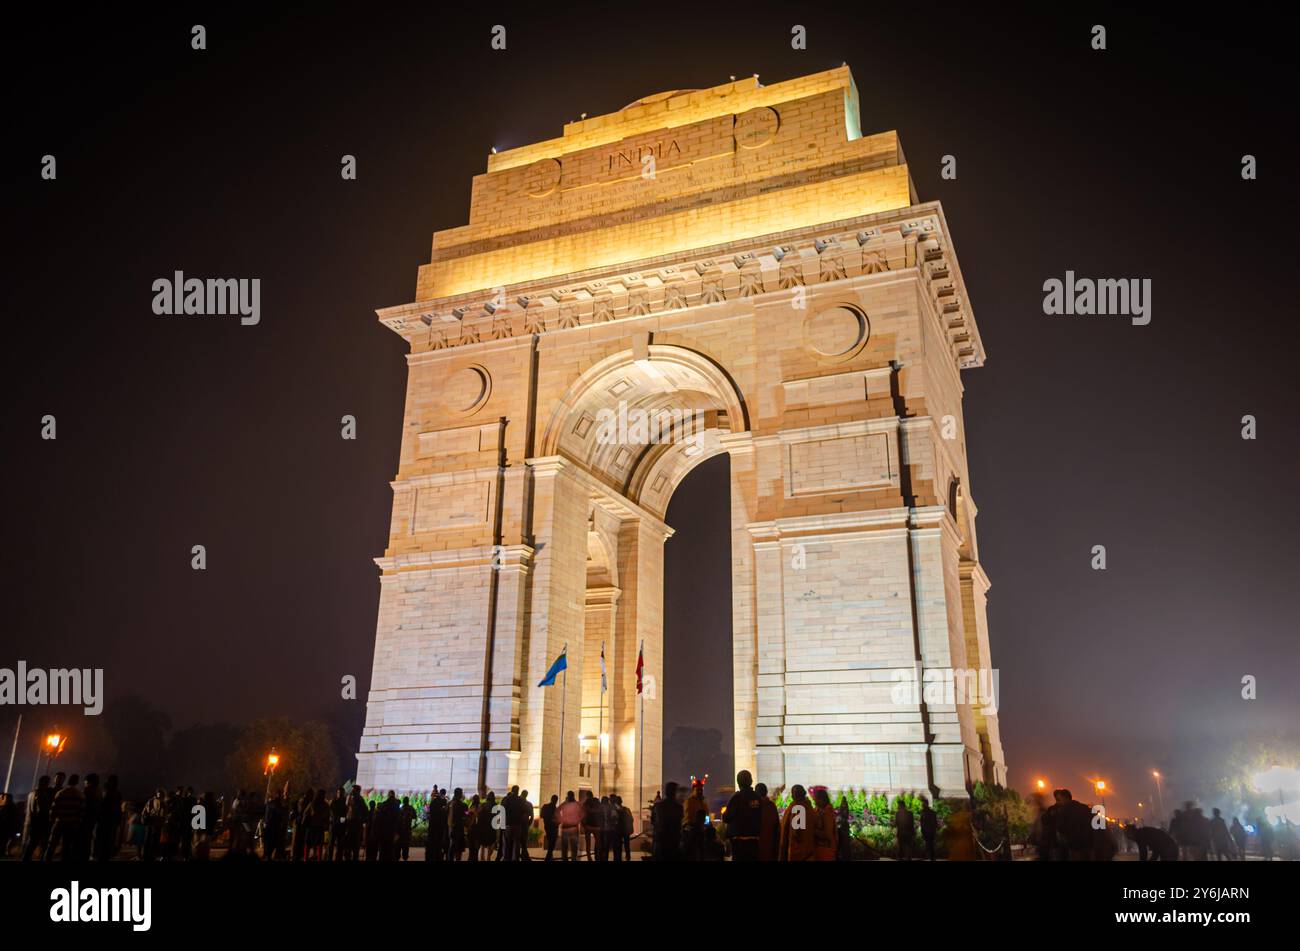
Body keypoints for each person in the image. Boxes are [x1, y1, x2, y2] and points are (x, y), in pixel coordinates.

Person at [723, 770, 763, 861]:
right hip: (754, 842)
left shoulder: (737, 798)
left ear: (738, 782)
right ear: (751, 781)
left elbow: (726, 817)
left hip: (739, 842)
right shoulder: (758, 798)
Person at [45, 773, 84, 861]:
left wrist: (52, 819)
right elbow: (81, 811)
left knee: (52, 844)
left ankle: (47, 859)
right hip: (71, 823)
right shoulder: (80, 794)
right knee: (67, 846)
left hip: (59, 822)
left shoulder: (61, 793)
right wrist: (77, 822)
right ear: (77, 782)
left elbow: (53, 809)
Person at [21, 775, 53, 861]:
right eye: (48, 782)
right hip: (39, 823)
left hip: (32, 822)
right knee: (39, 845)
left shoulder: (31, 793)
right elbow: (41, 808)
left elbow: (27, 809)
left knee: (31, 845)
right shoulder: (41, 793)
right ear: (46, 783)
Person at [779, 785, 815, 861]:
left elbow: (797, 832)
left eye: (793, 793)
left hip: (798, 851)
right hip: (807, 848)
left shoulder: (799, 807)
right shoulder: (806, 806)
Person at [652, 782, 683, 861]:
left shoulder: (658, 806)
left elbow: (653, 822)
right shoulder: (679, 807)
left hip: (660, 841)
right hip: (673, 842)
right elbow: (679, 824)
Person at [755, 783, 780, 861]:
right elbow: (777, 825)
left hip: (757, 845)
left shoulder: (754, 807)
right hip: (771, 844)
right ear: (766, 792)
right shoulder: (772, 806)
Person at [811, 787, 838, 861]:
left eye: (816, 799)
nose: (814, 800)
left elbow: (827, 834)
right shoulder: (818, 810)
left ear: (822, 799)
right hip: (819, 847)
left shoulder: (827, 813)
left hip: (826, 848)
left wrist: (813, 831)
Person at [557, 790, 582, 861]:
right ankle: (573, 859)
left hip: (566, 828)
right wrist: (578, 819)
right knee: (574, 847)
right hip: (574, 828)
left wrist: (561, 819)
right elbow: (582, 813)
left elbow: (557, 811)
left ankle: (565, 859)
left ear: (568, 796)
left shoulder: (565, 804)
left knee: (565, 847)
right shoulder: (577, 804)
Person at [448, 789, 467, 862]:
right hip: (459, 829)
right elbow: (466, 816)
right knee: (458, 849)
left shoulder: (450, 804)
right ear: (460, 795)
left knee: (451, 847)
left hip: (451, 828)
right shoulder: (464, 805)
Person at [396, 795, 417, 860]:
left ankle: (398, 857)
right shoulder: (411, 808)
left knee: (398, 846)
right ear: (408, 801)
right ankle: (405, 857)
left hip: (400, 831)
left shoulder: (400, 809)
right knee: (406, 847)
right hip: (407, 830)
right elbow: (414, 816)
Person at [895, 797, 915, 861]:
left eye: (898, 805)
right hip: (908, 833)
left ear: (901, 806)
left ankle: (901, 858)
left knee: (901, 847)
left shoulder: (898, 813)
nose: (897, 806)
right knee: (908, 847)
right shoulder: (910, 813)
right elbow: (912, 823)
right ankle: (908, 858)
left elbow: (897, 823)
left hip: (901, 832)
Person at [540, 794, 559, 861]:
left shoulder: (545, 806)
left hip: (547, 827)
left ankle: (550, 857)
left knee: (550, 842)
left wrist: (547, 818)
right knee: (552, 843)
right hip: (554, 828)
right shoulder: (556, 809)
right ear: (556, 801)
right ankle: (548, 858)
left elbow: (541, 815)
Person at [616, 795, 634, 861]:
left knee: (619, 845)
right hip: (626, 830)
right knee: (627, 845)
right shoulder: (627, 809)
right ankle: (628, 856)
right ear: (621, 801)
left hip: (619, 830)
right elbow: (632, 819)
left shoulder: (616, 810)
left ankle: (619, 857)